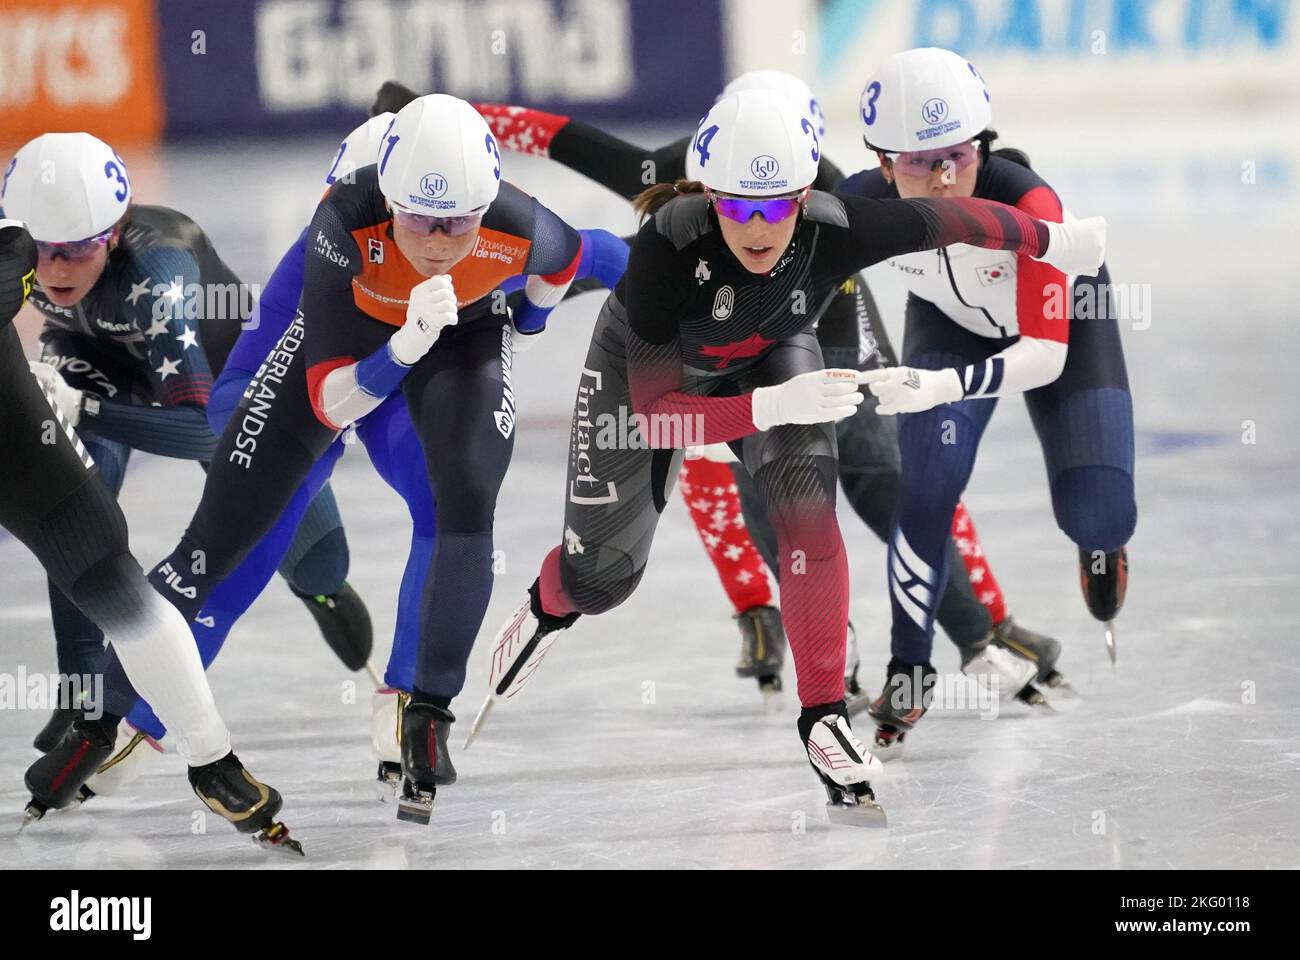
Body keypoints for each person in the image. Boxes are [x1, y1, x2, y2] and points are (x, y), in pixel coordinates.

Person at [471, 89, 1105, 824]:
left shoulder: (840, 224)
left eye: (776, 207)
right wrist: (773, 408)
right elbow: (657, 417)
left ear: (806, 195)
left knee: (810, 516)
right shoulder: (666, 247)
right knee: (604, 580)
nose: (759, 226)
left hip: (775, 356)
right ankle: (553, 604)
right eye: (739, 208)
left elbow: (959, 218)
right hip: (652, 382)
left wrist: (1050, 242)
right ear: (709, 193)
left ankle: (823, 715)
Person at [379, 71, 1065, 708]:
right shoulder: (690, 184)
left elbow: (565, 146)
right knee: (731, 468)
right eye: (737, 199)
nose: (757, 212)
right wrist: (445, 126)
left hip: (821, 344)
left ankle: (960, 628)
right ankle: (776, 616)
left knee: (868, 481)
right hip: (707, 352)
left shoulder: (819, 186)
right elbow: (576, 156)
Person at [88, 95, 599, 825]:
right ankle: (138, 711)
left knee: (456, 500)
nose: (436, 241)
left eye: (458, 222)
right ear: (373, 197)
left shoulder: (513, 223)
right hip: (338, 361)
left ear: (484, 206)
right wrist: (400, 350)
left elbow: (584, 252)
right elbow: (303, 403)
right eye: (417, 220)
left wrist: (538, 312)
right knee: (256, 539)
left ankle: (415, 704)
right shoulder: (336, 230)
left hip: (436, 348)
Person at [0, 132, 372, 755]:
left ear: (113, 235)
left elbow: (212, 431)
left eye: (78, 249)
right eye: (44, 251)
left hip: (226, 400)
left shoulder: (158, 273)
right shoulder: (14, 250)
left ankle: (323, 593)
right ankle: (83, 695)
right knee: (71, 517)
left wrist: (85, 406)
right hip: (96, 366)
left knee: (320, 567)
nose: (58, 270)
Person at [844, 48, 1136, 753]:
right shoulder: (855, 207)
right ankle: (910, 672)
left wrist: (942, 386)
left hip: (1062, 325)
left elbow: (1045, 356)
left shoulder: (1031, 204)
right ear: (883, 164)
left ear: (983, 143)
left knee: (1097, 512)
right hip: (948, 326)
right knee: (927, 484)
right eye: (920, 162)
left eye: (959, 155)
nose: (945, 179)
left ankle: (1103, 547)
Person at [0, 220, 301, 853]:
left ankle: (210, 758)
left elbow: (17, 249)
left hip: (22, 446)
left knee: (116, 582)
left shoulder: (119, 266)